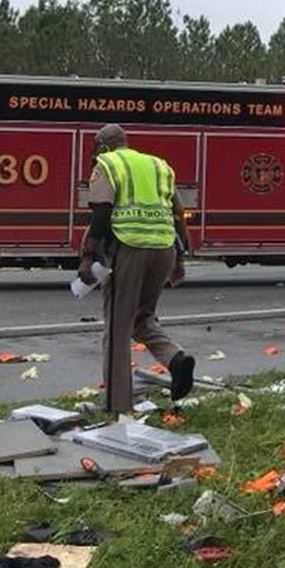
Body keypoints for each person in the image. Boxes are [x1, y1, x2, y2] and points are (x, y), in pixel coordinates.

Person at [79, 123, 196, 411]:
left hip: (129, 247)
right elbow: (178, 213)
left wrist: (88, 255)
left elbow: (103, 212)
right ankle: (176, 359)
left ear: (103, 146)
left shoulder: (107, 164)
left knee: (118, 328)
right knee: (142, 318)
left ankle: (115, 405)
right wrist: (180, 258)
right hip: (163, 249)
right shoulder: (159, 165)